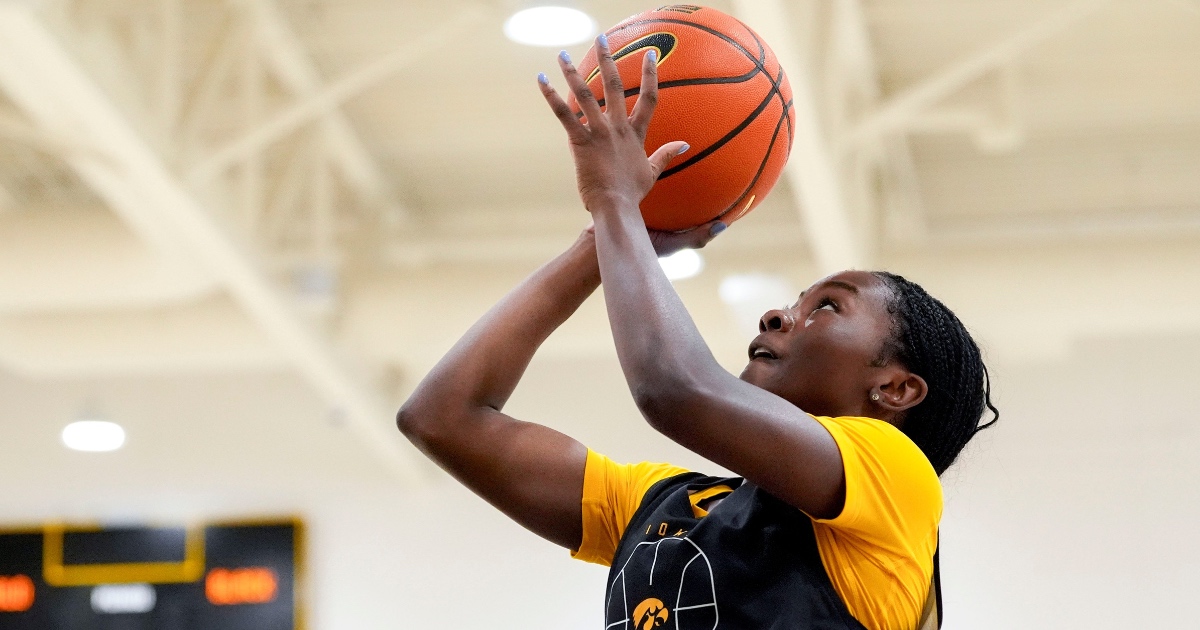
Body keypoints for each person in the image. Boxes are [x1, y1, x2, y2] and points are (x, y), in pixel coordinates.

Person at [397, 35, 997, 630]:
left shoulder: (895, 475)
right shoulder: (664, 506)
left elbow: (674, 389)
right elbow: (442, 419)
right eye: (793, 302)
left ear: (896, 389)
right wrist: (604, 241)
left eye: (827, 308)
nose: (777, 316)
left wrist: (615, 204)